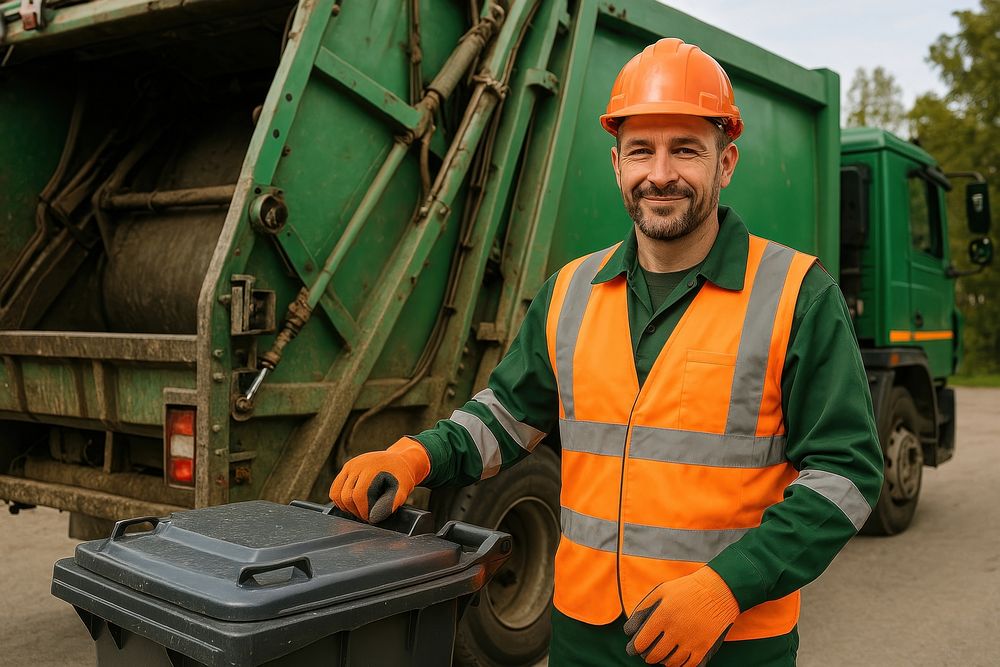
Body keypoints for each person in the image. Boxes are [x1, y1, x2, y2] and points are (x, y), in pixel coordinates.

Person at [330, 37, 883, 666]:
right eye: (641, 150)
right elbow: (508, 417)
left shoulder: (798, 296)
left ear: (725, 163)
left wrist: (728, 586)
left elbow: (847, 475)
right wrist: (414, 457)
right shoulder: (570, 293)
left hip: (727, 641)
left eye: (687, 151)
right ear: (617, 162)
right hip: (585, 634)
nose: (660, 173)